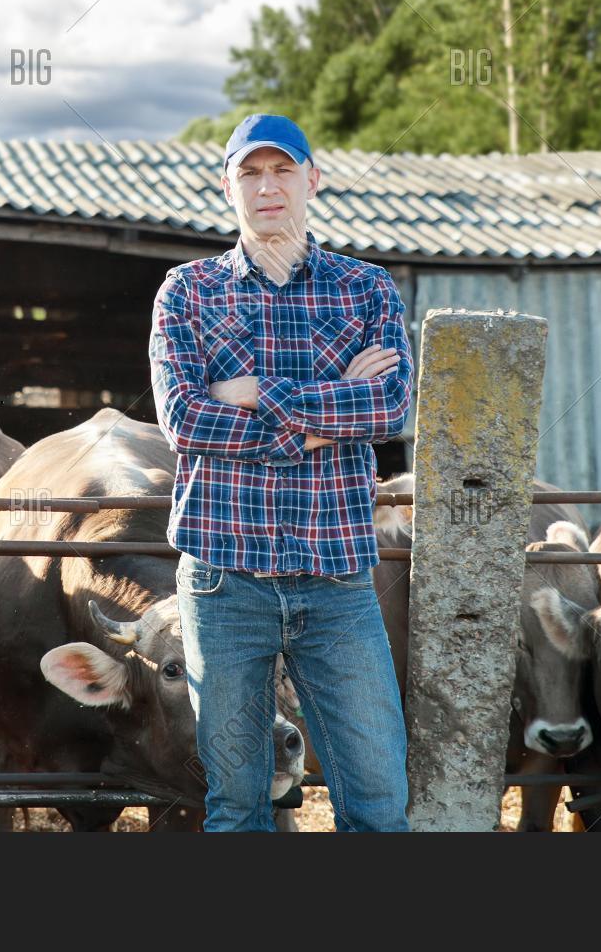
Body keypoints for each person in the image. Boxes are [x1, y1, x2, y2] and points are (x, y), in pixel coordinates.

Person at [148, 112, 413, 831]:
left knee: (380, 804)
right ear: (226, 185)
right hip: (225, 579)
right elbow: (184, 422)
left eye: (283, 169)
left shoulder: (367, 290)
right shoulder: (187, 291)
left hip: (337, 579)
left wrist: (256, 392)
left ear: (313, 179)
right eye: (250, 172)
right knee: (238, 805)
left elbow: (388, 406)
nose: (268, 186)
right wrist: (332, 411)